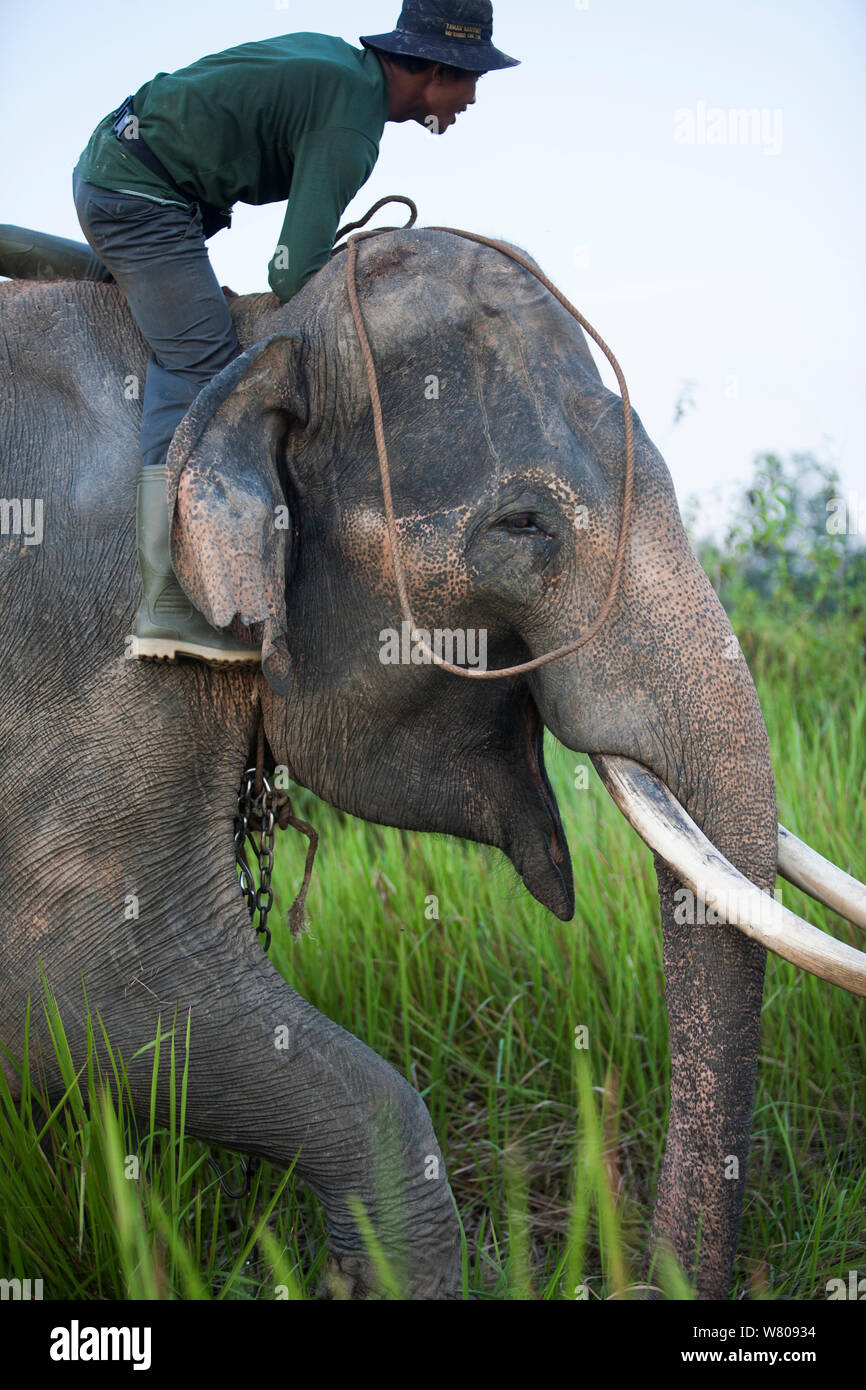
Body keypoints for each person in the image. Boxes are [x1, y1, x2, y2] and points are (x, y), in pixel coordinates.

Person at [71, 0, 519, 667]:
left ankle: (27, 260)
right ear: (435, 68)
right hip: (140, 192)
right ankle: (163, 598)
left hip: (129, 165)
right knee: (200, 360)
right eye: (470, 78)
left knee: (161, 302)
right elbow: (289, 274)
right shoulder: (354, 124)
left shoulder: (345, 72)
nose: (473, 98)